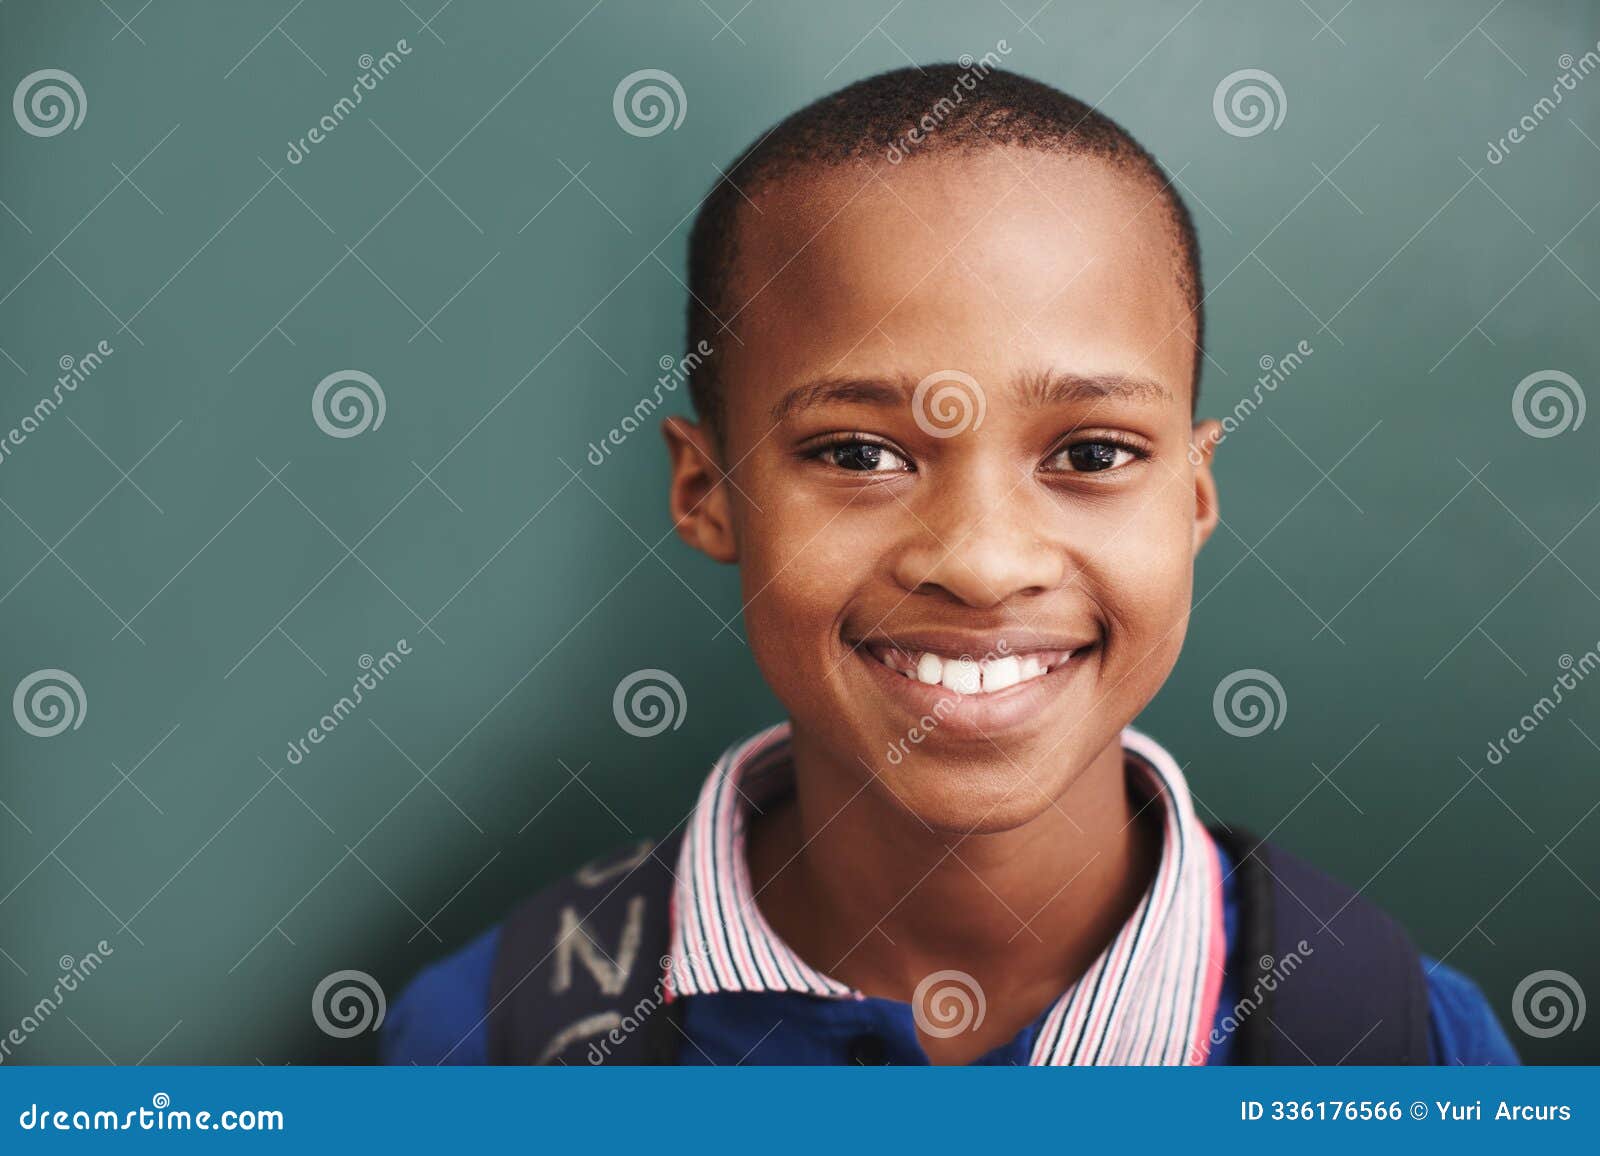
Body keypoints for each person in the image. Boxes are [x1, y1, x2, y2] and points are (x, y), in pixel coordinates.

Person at [381, 65, 1517, 1066]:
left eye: (1090, 452)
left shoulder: (1400, 1049)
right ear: (705, 490)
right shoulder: (499, 1043)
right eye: (859, 453)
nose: (980, 563)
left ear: (1193, 493)